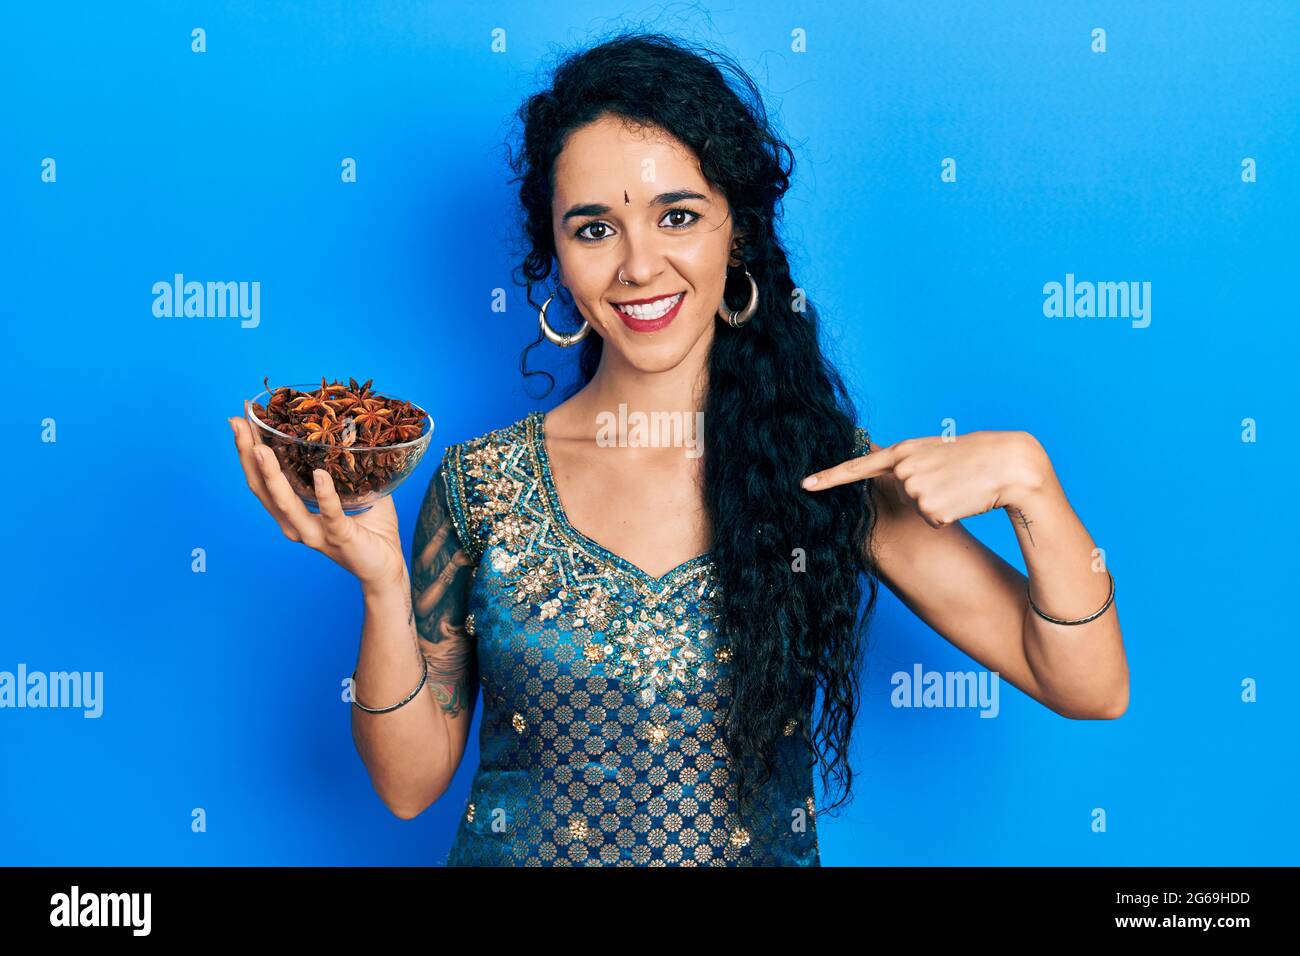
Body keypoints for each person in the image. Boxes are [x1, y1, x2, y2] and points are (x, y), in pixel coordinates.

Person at [228, 32, 1128, 866]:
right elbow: (408, 786)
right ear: (555, 255)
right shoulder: (479, 486)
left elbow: (1089, 686)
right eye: (594, 228)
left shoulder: (822, 471)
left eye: (678, 216)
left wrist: (1034, 489)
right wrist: (384, 587)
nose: (637, 265)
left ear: (738, 230)